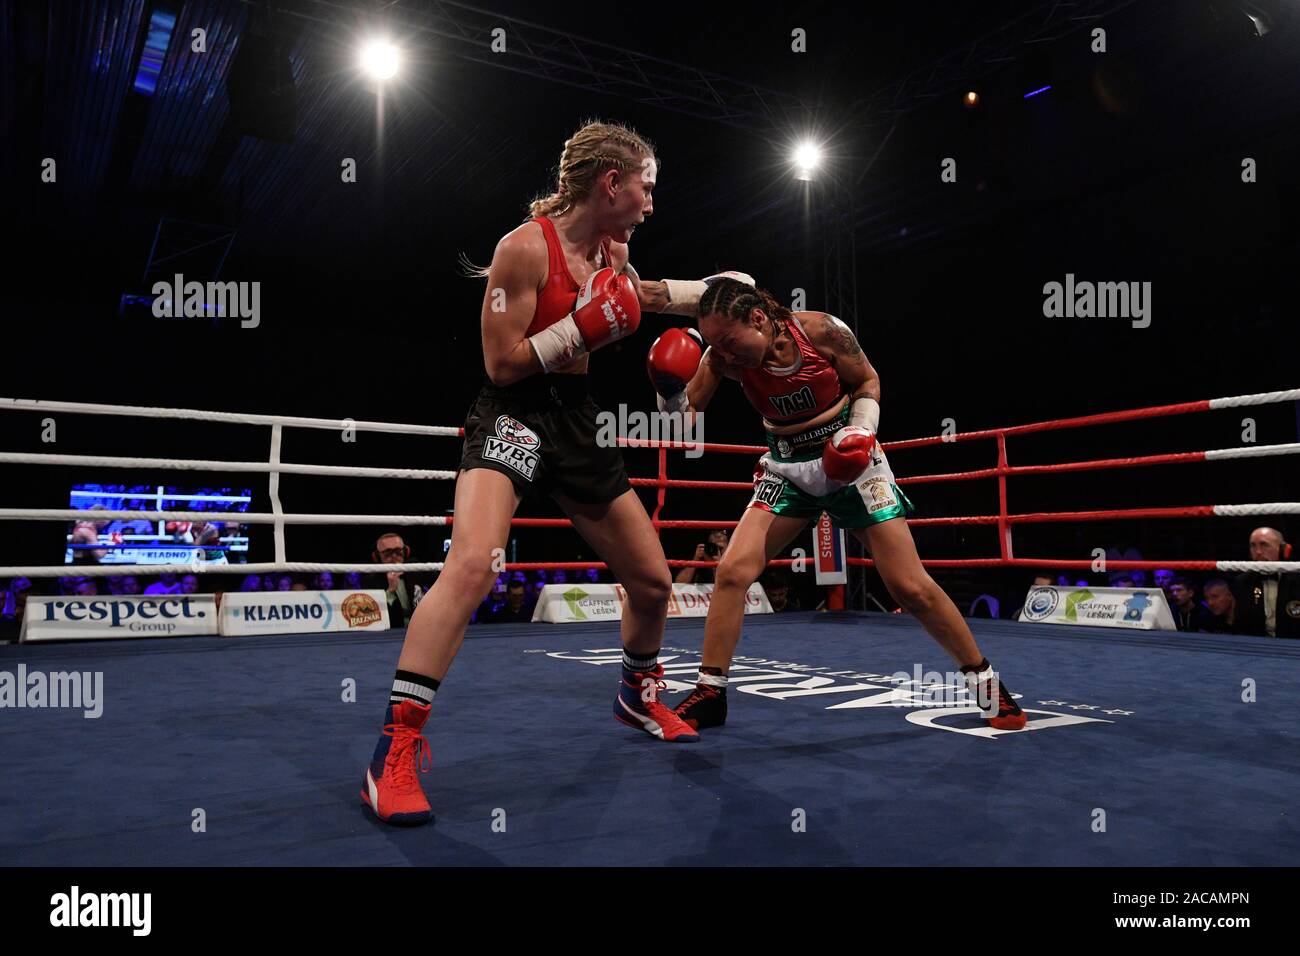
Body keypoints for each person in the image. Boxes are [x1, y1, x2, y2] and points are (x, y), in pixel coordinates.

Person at [361, 121, 701, 828]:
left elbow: (641, 295)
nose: (651, 201)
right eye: (646, 185)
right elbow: (501, 364)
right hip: (512, 413)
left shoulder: (616, 246)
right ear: (612, 183)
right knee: (473, 566)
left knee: (652, 581)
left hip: (575, 419)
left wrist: (719, 295)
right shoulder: (521, 249)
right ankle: (394, 745)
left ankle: (637, 693)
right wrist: (581, 328)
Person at [647, 276, 1027, 732]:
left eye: (728, 342)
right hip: (788, 469)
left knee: (910, 586)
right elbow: (682, 424)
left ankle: (988, 688)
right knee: (731, 572)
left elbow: (867, 380)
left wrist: (860, 432)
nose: (724, 355)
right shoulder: (722, 359)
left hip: (852, 463)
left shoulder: (823, 332)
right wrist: (668, 389)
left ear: (759, 318)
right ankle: (711, 694)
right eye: (714, 346)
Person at [1233, 526, 1299, 638]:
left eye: (1264, 545)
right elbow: (1241, 625)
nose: (1258, 552)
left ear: (1282, 549)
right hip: (1258, 648)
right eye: (1253, 546)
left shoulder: (1297, 579)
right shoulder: (1243, 581)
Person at [365, 532, 434, 628]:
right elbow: (374, 619)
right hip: (391, 632)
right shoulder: (371, 580)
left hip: (422, 627)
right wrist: (390, 591)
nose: (393, 556)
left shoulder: (415, 569)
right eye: (387, 553)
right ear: (377, 556)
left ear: (406, 552)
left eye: (398, 551)